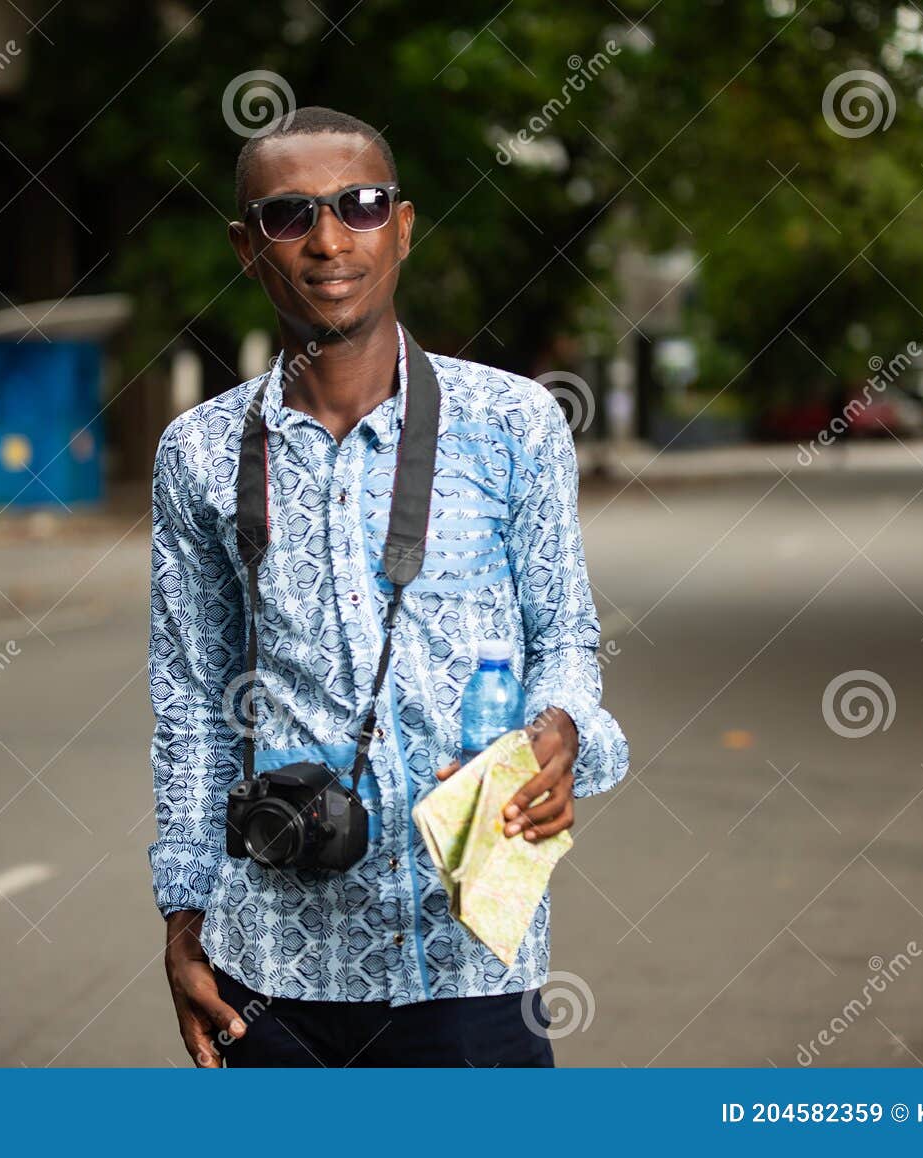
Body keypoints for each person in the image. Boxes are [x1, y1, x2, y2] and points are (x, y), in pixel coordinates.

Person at [148, 106, 629, 1067]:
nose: (329, 241)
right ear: (248, 248)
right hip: (271, 967)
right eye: (290, 216)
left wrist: (564, 733)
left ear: (402, 228)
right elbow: (192, 700)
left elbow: (564, 641)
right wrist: (184, 914)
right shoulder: (198, 452)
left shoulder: (514, 423)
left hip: (467, 961)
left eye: (361, 206)